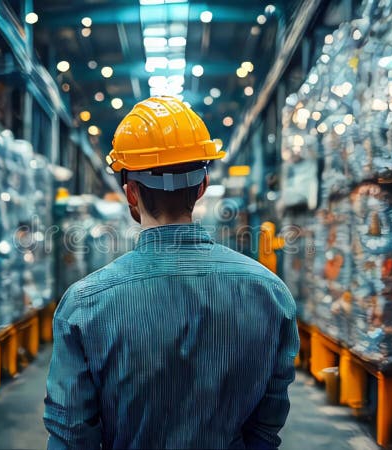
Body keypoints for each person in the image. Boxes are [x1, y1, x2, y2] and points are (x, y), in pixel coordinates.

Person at [44, 96, 299, 449]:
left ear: (131, 193)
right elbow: (266, 426)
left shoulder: (85, 304)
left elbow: (72, 435)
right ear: (202, 187)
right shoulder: (270, 292)